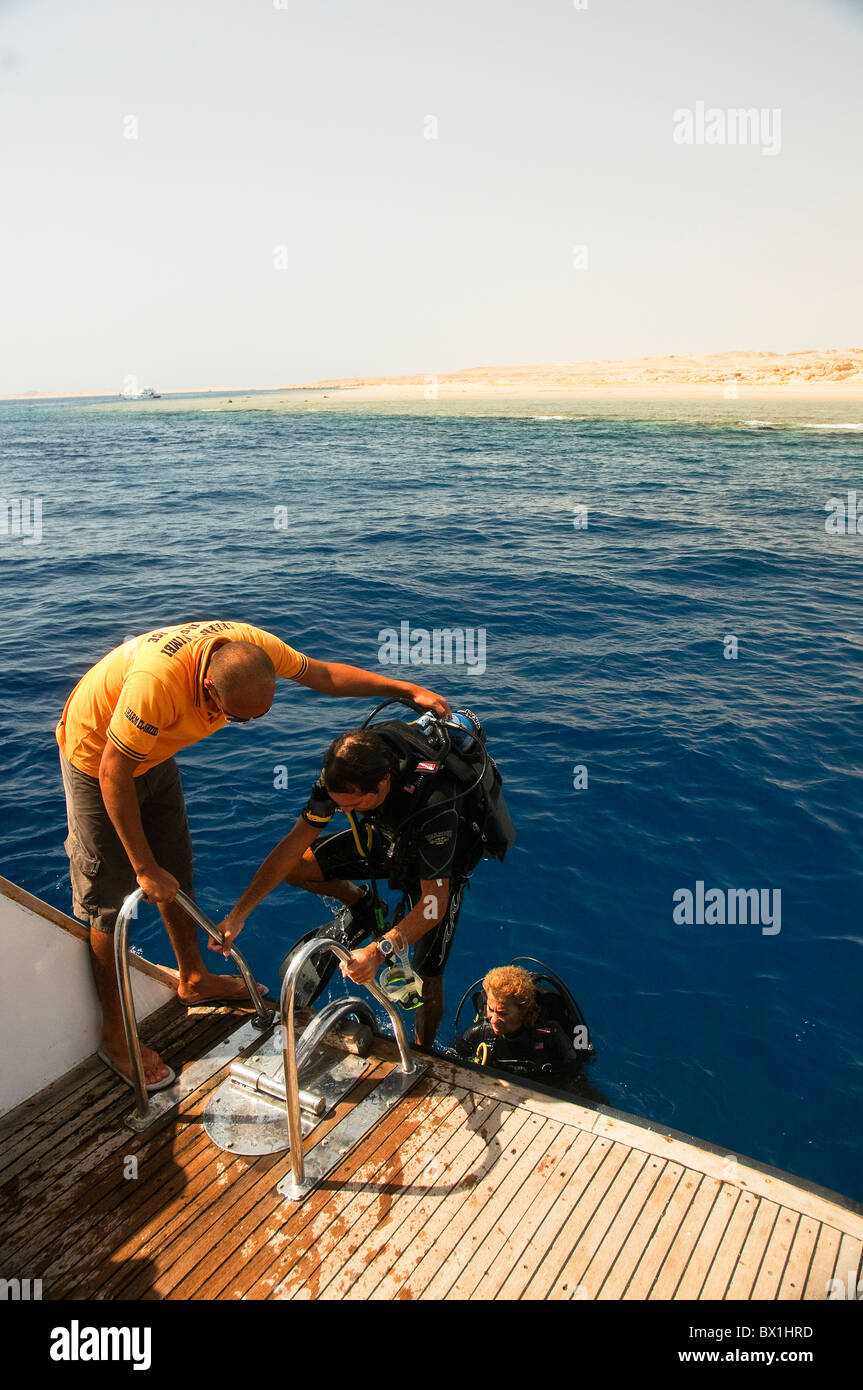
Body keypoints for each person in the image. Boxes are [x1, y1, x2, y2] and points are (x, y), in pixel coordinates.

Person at [57, 619, 449, 1090]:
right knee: (107, 902)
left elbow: (322, 675)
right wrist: (141, 867)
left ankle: (194, 978)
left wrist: (408, 689)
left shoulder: (254, 646)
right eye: (236, 718)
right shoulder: (154, 687)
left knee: (175, 873)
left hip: (153, 755)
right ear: (207, 688)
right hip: (98, 757)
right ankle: (116, 1037)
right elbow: (112, 772)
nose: (241, 726)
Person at [217, 722, 478, 1047]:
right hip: (387, 839)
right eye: (339, 805)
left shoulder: (435, 799)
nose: (344, 811)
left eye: (352, 806)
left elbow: (433, 905)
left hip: (435, 858)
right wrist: (239, 913)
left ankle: (423, 1049)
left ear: (384, 783)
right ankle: (363, 905)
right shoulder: (338, 779)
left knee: (428, 972)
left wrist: (378, 950)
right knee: (298, 869)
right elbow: (291, 847)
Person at [452, 965, 585, 1085]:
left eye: (503, 1013)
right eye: (491, 1010)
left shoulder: (549, 1035)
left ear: (523, 1011)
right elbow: (450, 1059)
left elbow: (575, 1077)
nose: (493, 1020)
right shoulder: (480, 1032)